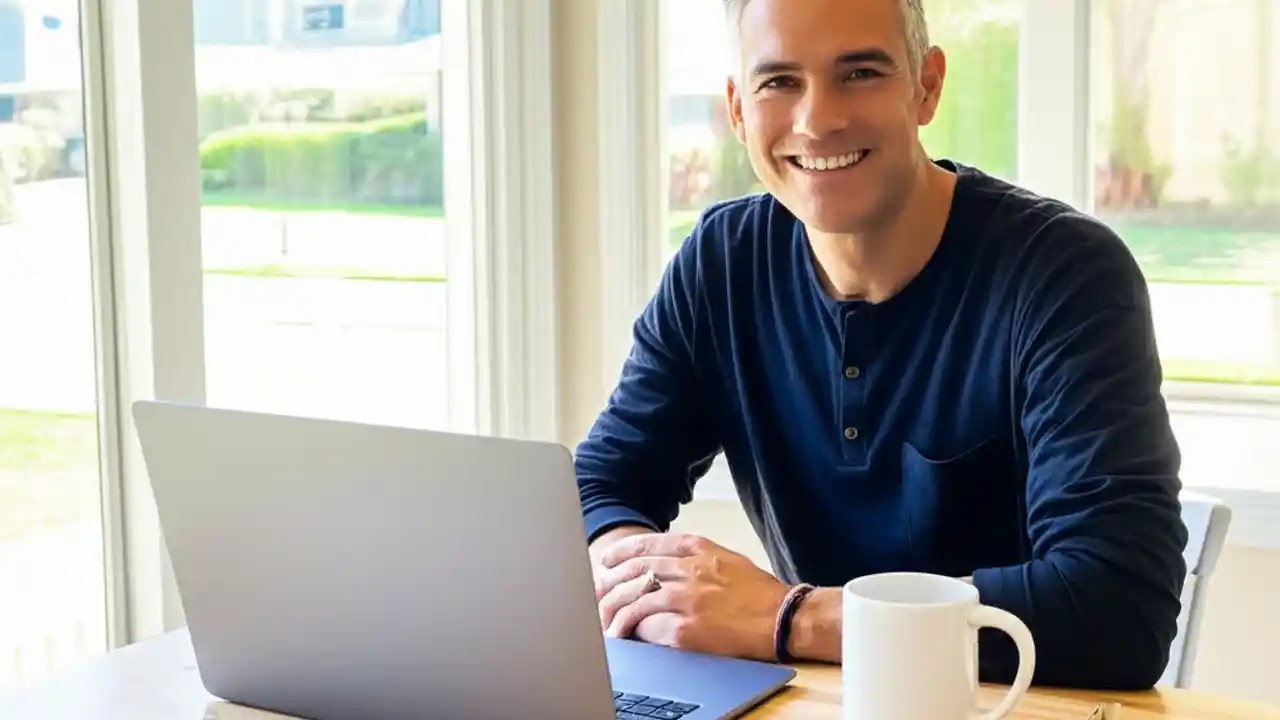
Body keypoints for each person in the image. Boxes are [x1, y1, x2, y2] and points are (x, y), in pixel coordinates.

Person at [575, 0, 1188, 691]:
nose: (817, 120)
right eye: (779, 82)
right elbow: (599, 485)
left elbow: (1118, 606)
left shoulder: (1064, 274)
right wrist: (647, 587)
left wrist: (787, 617)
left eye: (860, 73)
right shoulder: (722, 262)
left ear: (927, 86)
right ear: (738, 110)